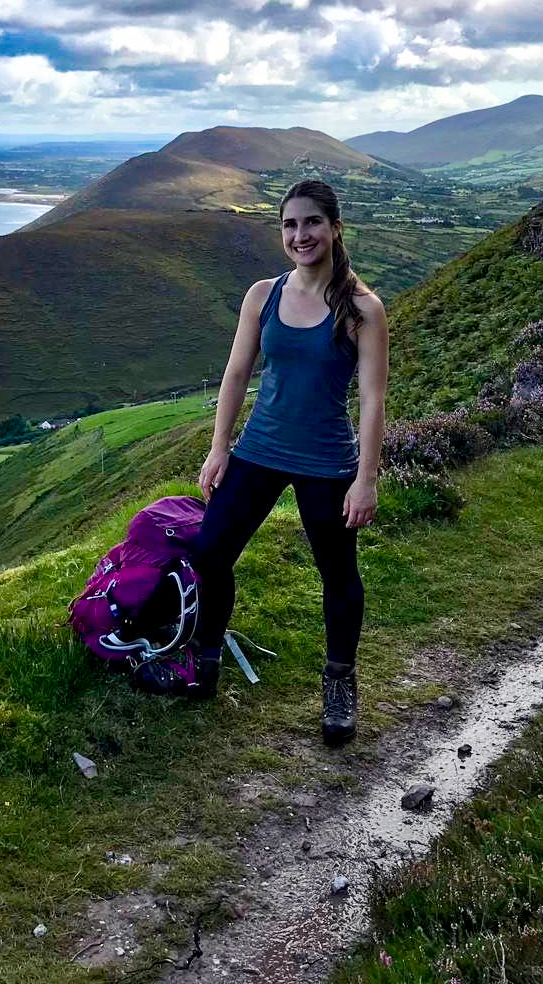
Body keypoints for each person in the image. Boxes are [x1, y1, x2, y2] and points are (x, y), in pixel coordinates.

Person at [135, 178, 388, 746]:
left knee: (337, 573)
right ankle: (202, 666)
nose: (300, 235)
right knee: (210, 551)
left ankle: (340, 685)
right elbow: (236, 374)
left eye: (311, 223)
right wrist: (219, 445)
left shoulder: (362, 309)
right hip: (260, 450)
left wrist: (365, 479)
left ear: (335, 227)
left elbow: (372, 399)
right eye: (290, 225)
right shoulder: (263, 295)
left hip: (327, 460)